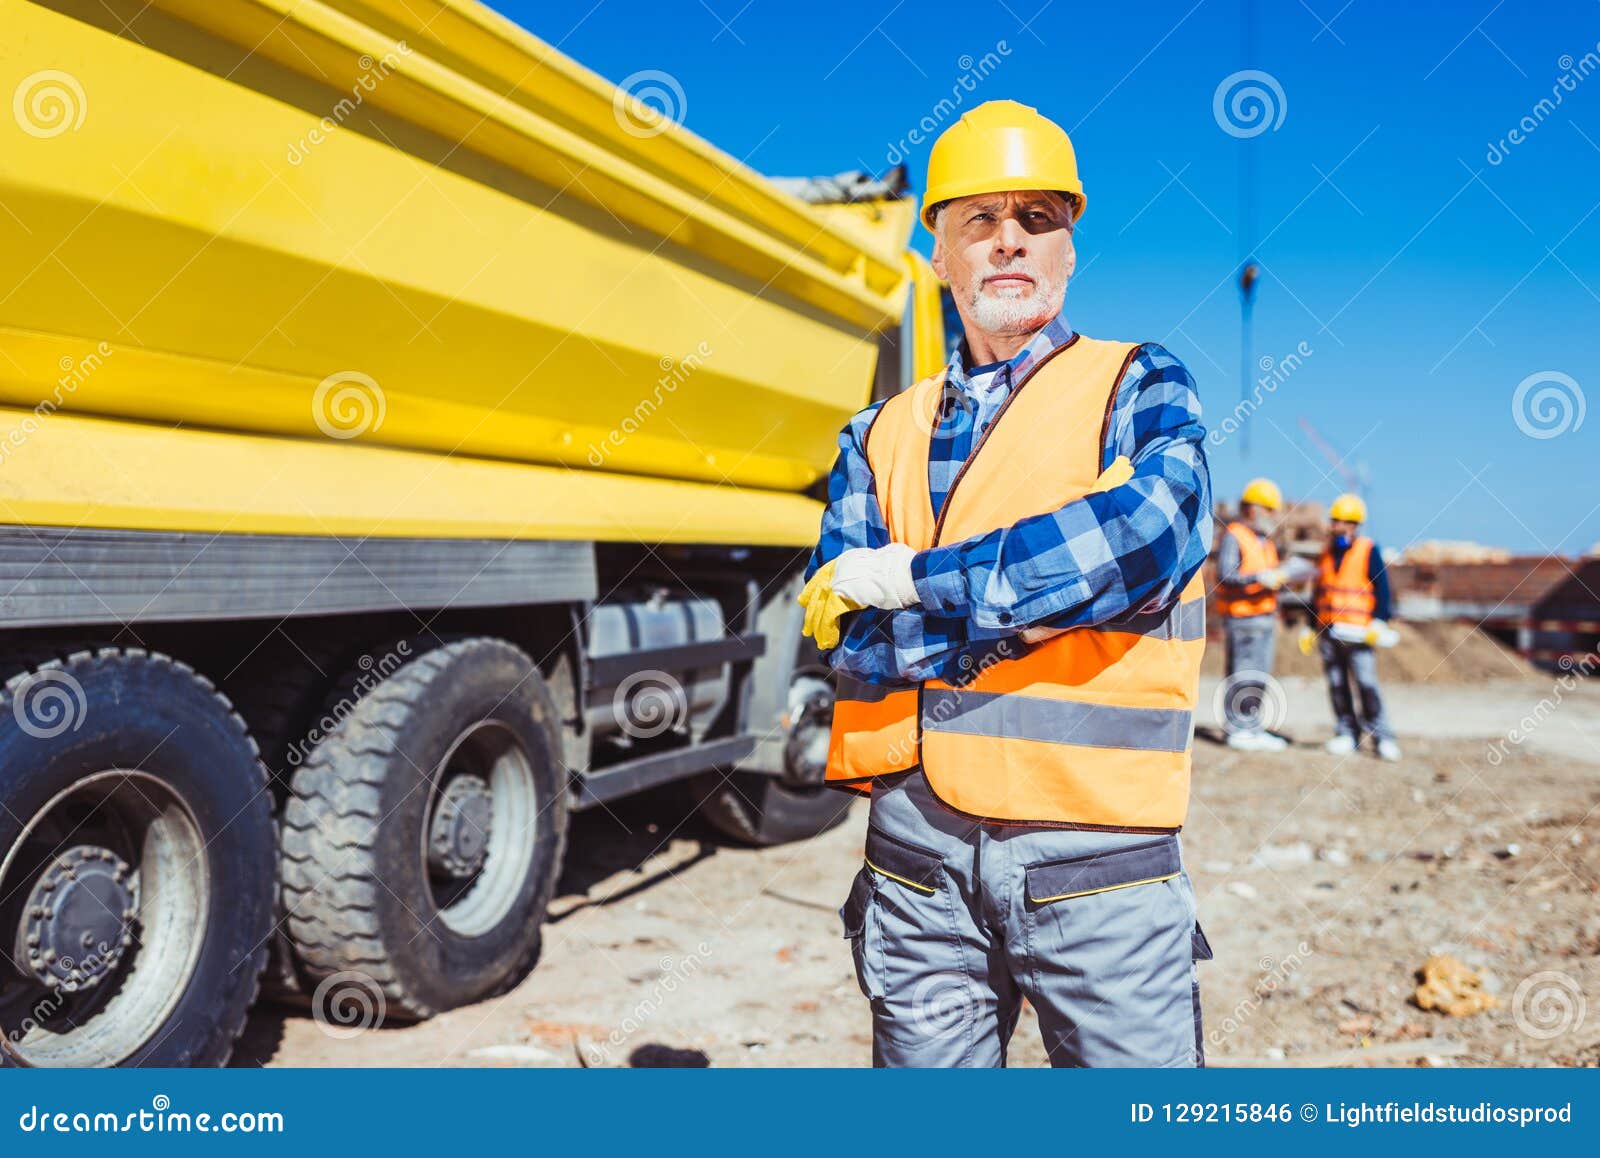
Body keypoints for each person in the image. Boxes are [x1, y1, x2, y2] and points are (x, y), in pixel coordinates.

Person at [796, 100, 1213, 1068]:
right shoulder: (875, 433)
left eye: (1037, 218)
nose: (1009, 241)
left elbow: (1143, 544)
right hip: (914, 864)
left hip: (1096, 863)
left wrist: (910, 579)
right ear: (935, 252)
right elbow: (846, 636)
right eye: (977, 219)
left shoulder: (1136, 385)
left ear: (1069, 250)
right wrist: (1035, 610)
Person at [1313, 493, 1401, 761]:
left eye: (1341, 522)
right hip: (1329, 631)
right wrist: (1310, 624)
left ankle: (1382, 737)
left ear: (1354, 525)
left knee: (1366, 684)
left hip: (1359, 633)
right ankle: (1346, 733)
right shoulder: (1327, 553)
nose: (1335, 526)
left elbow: (1383, 589)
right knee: (1337, 684)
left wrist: (1380, 620)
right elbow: (1318, 591)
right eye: (1334, 521)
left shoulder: (1368, 550)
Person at [1214, 479, 1288, 751]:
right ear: (1254, 509)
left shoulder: (1264, 542)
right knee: (1243, 674)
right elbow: (1226, 575)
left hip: (1264, 618)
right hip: (1242, 619)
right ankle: (1237, 728)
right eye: (1269, 510)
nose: (1273, 517)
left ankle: (1252, 725)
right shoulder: (1235, 535)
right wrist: (1260, 578)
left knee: (1258, 677)